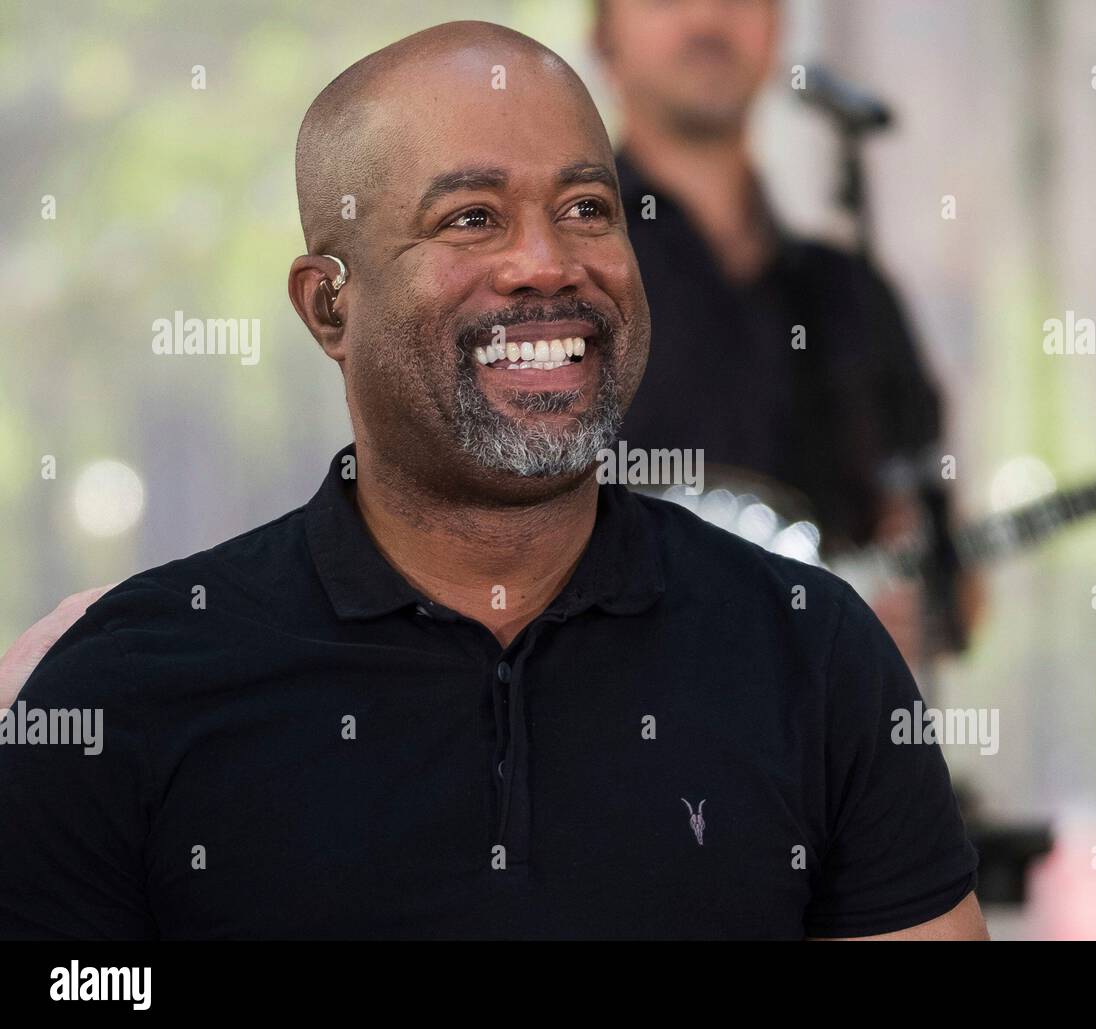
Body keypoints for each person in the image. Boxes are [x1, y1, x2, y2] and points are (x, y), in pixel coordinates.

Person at [0, 21, 985, 940]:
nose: (547, 263)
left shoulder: (813, 651)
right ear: (328, 305)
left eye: (585, 209)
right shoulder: (126, 684)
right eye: (471, 217)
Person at [594, 0, 966, 663]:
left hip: (816, 748)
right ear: (604, 35)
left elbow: (948, 579)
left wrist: (922, 600)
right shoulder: (562, 276)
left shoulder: (851, 291)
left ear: (777, 27)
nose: (708, 18)